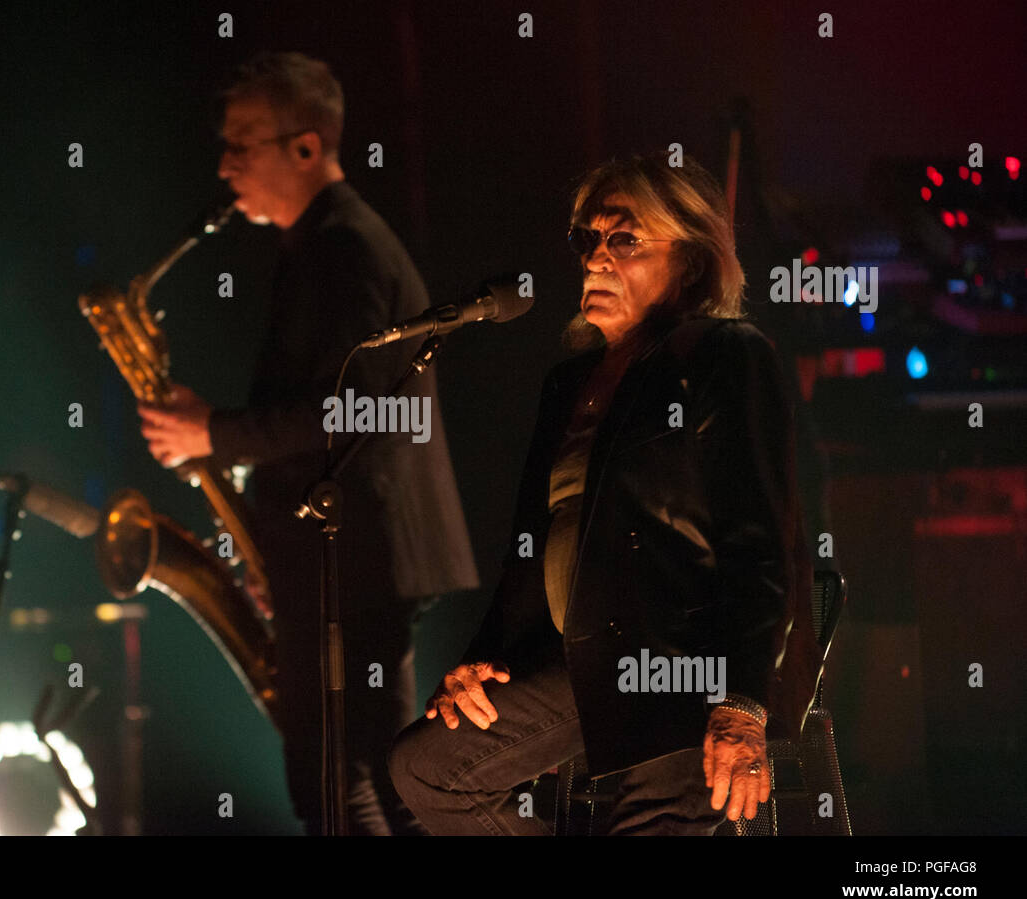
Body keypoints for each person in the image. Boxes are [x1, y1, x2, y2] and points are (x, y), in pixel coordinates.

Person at [388, 154, 820, 835]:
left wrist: (742, 701)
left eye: (624, 239)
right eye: (584, 239)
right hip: (581, 662)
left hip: (681, 666)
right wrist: (482, 659)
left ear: (690, 260)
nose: (594, 258)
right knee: (428, 767)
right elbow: (528, 553)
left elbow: (762, 542)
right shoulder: (571, 382)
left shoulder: (725, 354)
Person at [137, 52, 478, 835]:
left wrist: (214, 433)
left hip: (354, 556)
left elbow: (353, 408)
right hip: (339, 554)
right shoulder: (320, 245)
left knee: (344, 785)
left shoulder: (346, 246)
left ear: (307, 145)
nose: (225, 166)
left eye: (242, 144)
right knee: (341, 783)